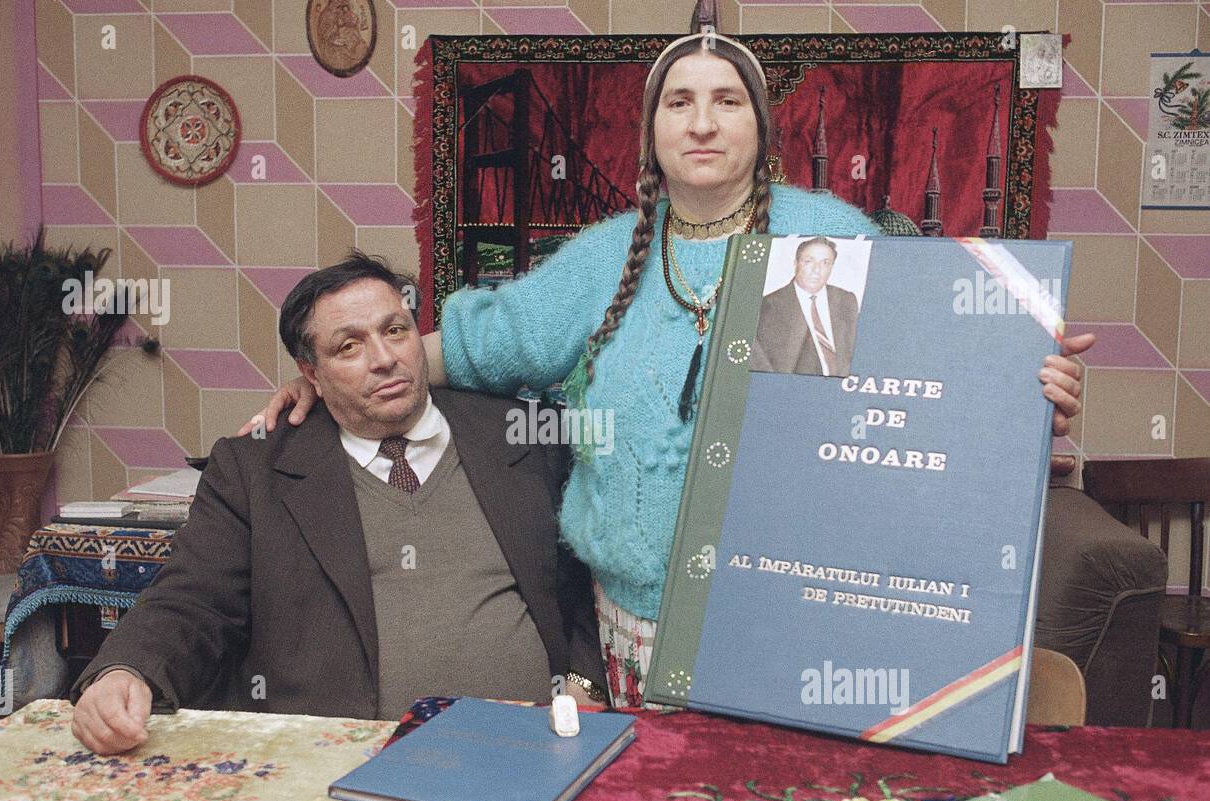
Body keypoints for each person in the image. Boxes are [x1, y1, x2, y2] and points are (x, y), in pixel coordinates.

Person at [242, 30, 1092, 708]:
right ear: (652, 129)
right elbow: (473, 343)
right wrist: (328, 380)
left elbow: (933, 384)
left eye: (727, 101)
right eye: (679, 102)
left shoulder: (832, 239)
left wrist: (1030, 399)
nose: (703, 121)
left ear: (761, 124)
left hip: (795, 620)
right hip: (633, 634)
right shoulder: (603, 257)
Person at [71, 252, 605, 755]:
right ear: (310, 374)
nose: (384, 359)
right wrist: (125, 670)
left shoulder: (526, 438)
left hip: (525, 747)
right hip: (336, 757)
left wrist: (581, 685)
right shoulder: (252, 471)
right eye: (348, 347)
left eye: (395, 330)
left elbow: (589, 584)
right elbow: (194, 599)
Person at [750, 235, 859, 376]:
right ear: (796, 264)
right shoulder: (767, 306)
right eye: (809, 261)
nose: (816, 270)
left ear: (832, 267)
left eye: (825, 263)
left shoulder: (846, 300)